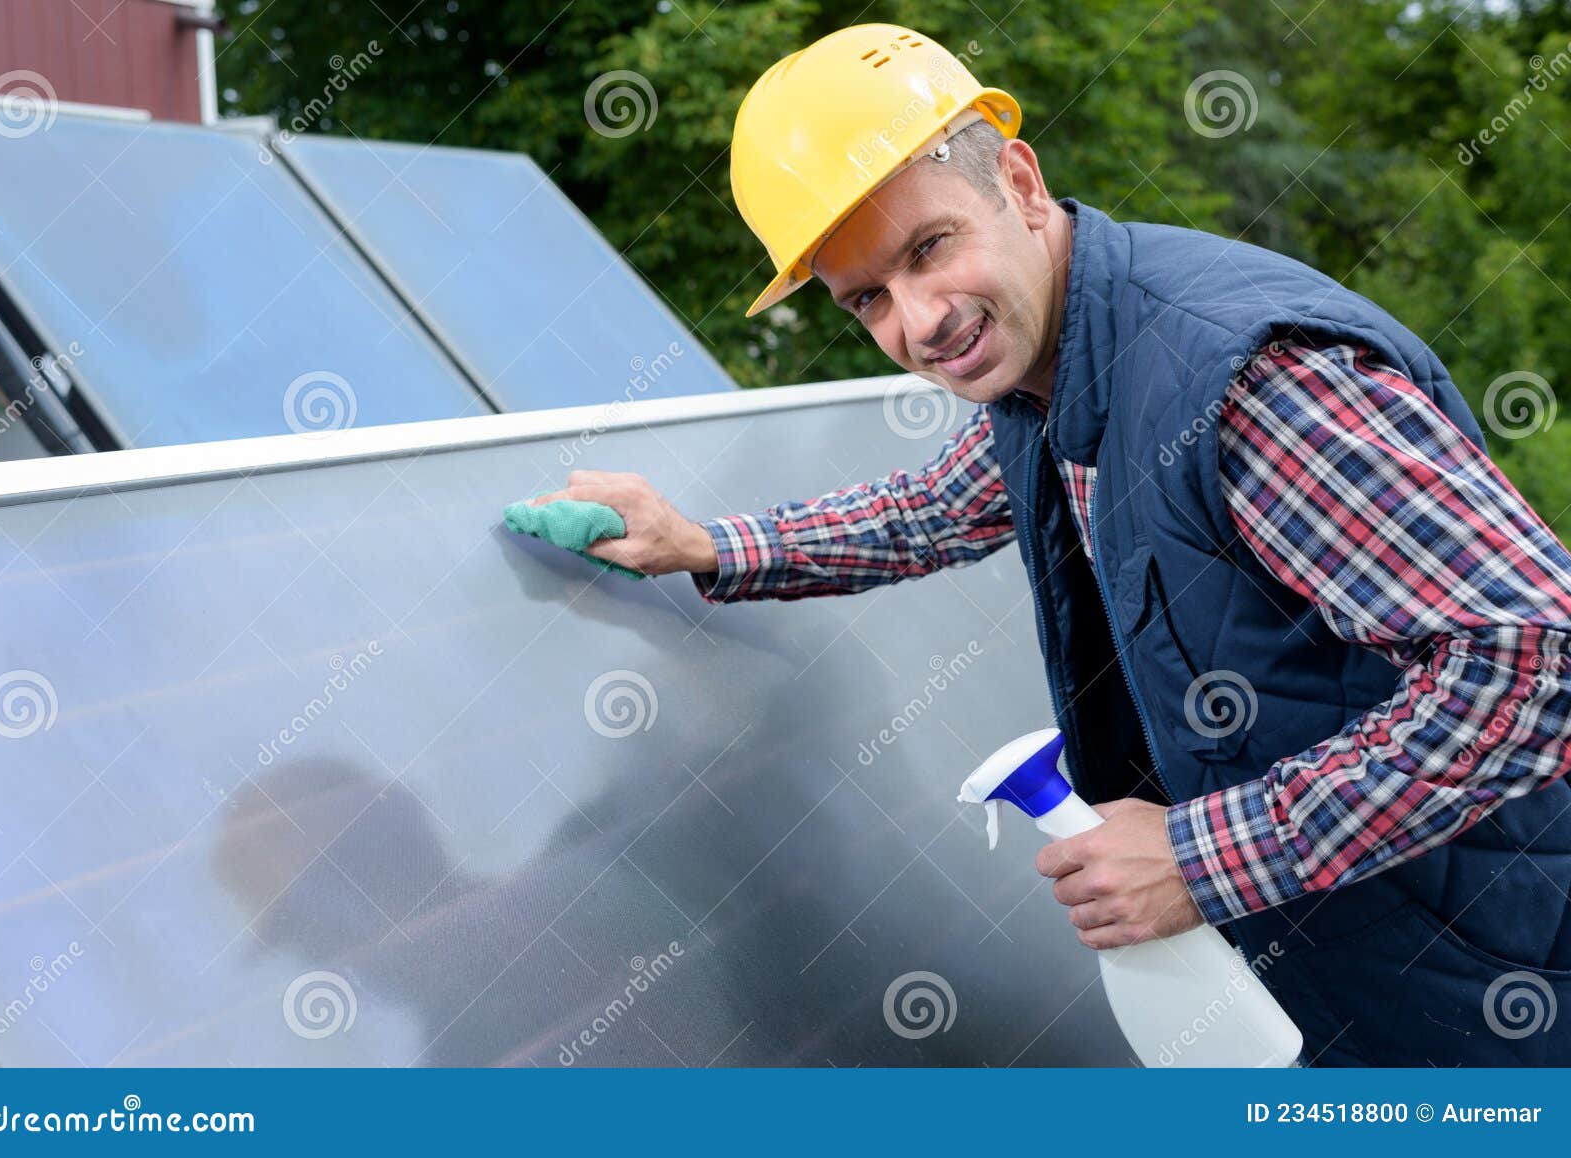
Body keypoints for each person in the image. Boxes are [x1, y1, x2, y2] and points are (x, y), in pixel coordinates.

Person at [531, 23, 1571, 1065]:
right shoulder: (1055, 365)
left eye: (928, 248)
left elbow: (1532, 660)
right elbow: (926, 509)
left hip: (1485, 990)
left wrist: (1201, 858)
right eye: (867, 300)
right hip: (1337, 970)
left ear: (1019, 182)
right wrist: (702, 542)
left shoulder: (1245, 382)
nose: (920, 321)